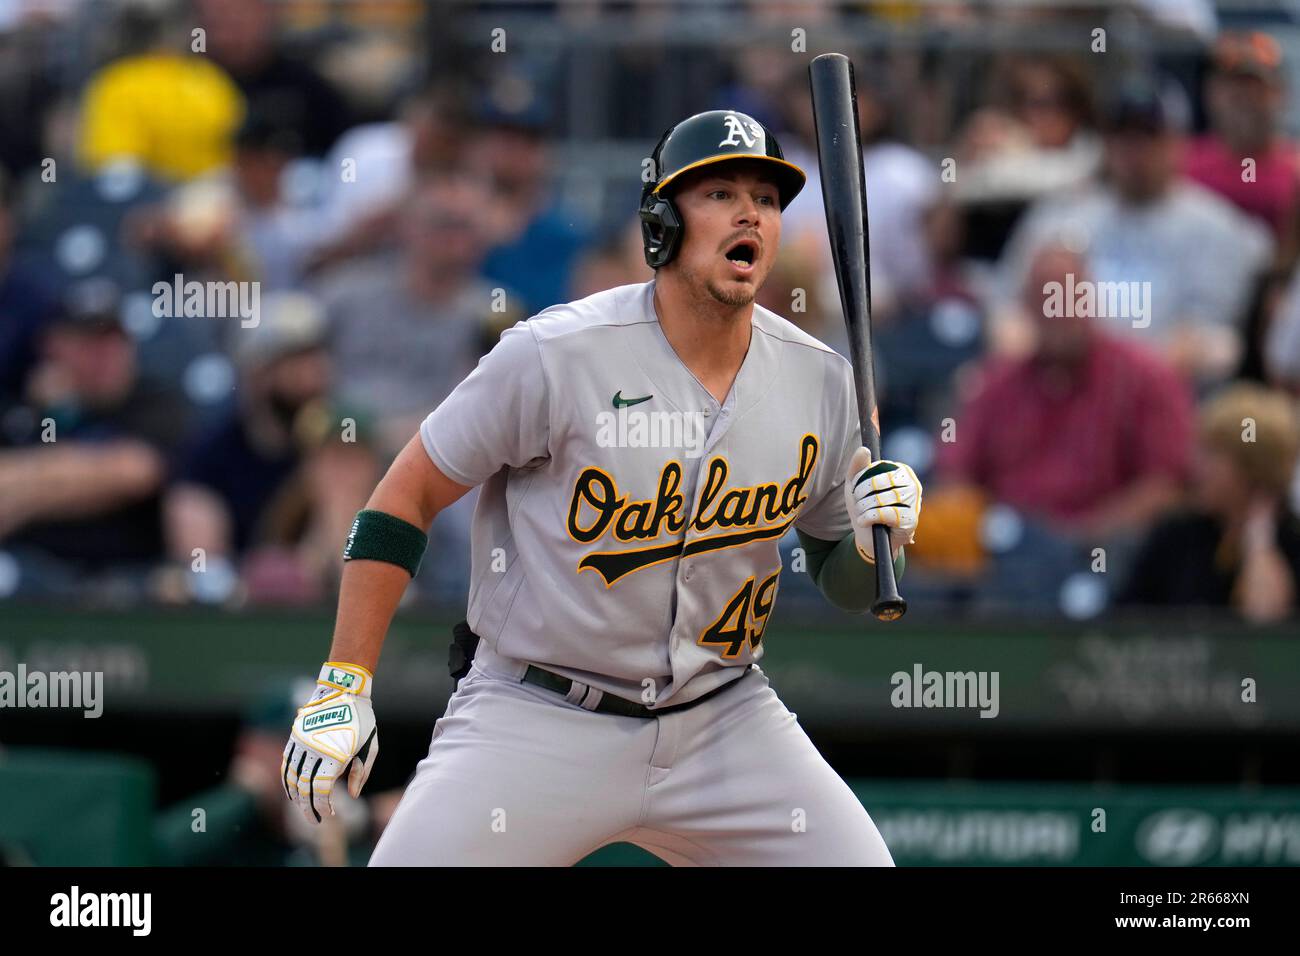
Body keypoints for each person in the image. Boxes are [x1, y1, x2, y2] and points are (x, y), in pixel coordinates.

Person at [280, 109, 924, 866]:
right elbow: (402, 498)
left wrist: (885, 538)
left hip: (722, 718)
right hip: (539, 713)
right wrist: (343, 682)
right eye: (718, 192)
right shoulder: (555, 353)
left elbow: (850, 585)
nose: (750, 211)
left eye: (768, 197)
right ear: (661, 223)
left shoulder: (821, 378)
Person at [998, 75, 1273, 384]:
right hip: (1064, 389)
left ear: (1176, 141)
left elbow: (1214, 338)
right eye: (1124, 136)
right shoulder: (1059, 216)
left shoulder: (1215, 227)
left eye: (1148, 135)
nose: (1135, 150)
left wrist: (1127, 377)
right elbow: (1009, 314)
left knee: (1220, 349)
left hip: (1167, 391)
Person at [1120, 383, 1300, 623]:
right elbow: (1123, 622)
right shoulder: (1176, 535)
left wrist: (1259, 537)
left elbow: (1265, 621)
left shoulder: (1291, 541)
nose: (1196, 467)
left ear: (1252, 469)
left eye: (1212, 454)